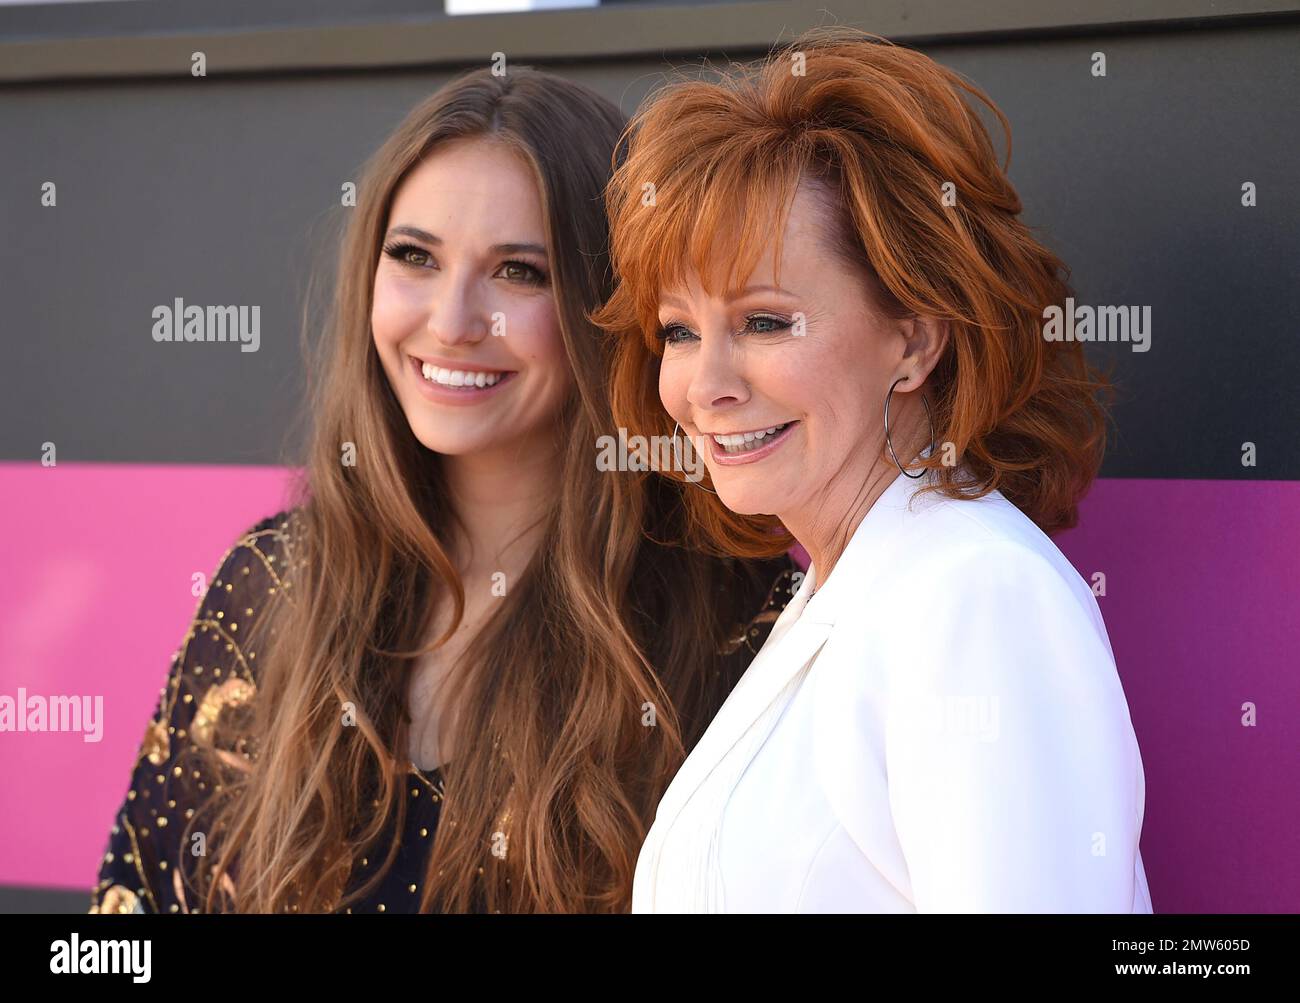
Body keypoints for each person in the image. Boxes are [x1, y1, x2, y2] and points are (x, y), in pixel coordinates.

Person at [90, 65, 798, 915]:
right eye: (415, 256)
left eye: (520, 273)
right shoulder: (270, 582)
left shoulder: (742, 627)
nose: (454, 320)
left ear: (609, 305)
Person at [593, 27, 1153, 912]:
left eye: (766, 322)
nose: (706, 386)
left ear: (915, 339)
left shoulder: (978, 595)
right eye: (680, 330)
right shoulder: (845, 588)